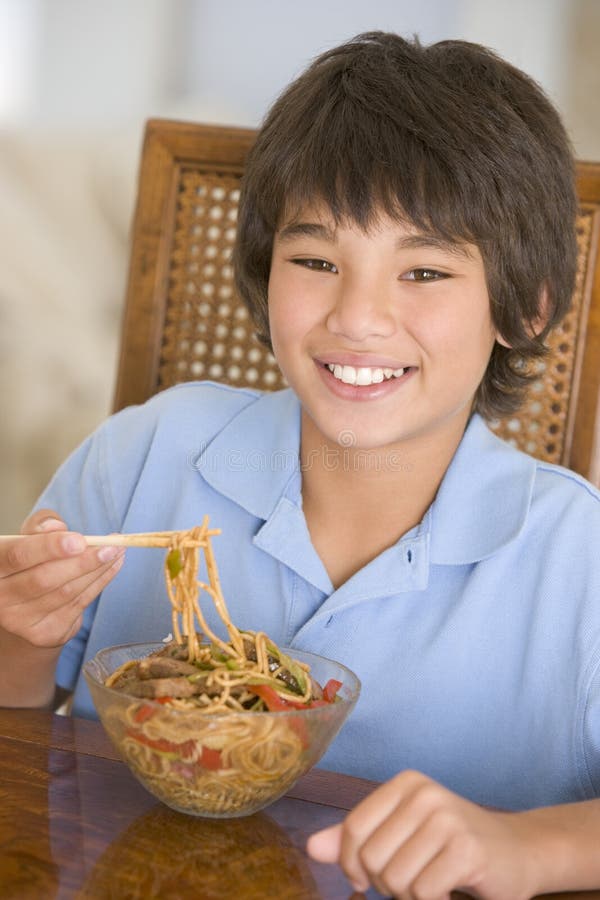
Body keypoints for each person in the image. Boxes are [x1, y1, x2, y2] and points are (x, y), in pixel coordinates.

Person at [1, 30, 599, 897]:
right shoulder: (146, 454)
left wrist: (528, 847)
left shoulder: (578, 558)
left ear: (527, 307)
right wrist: (22, 630)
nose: (358, 318)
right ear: (262, 272)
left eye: (424, 271)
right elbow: (19, 724)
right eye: (316, 261)